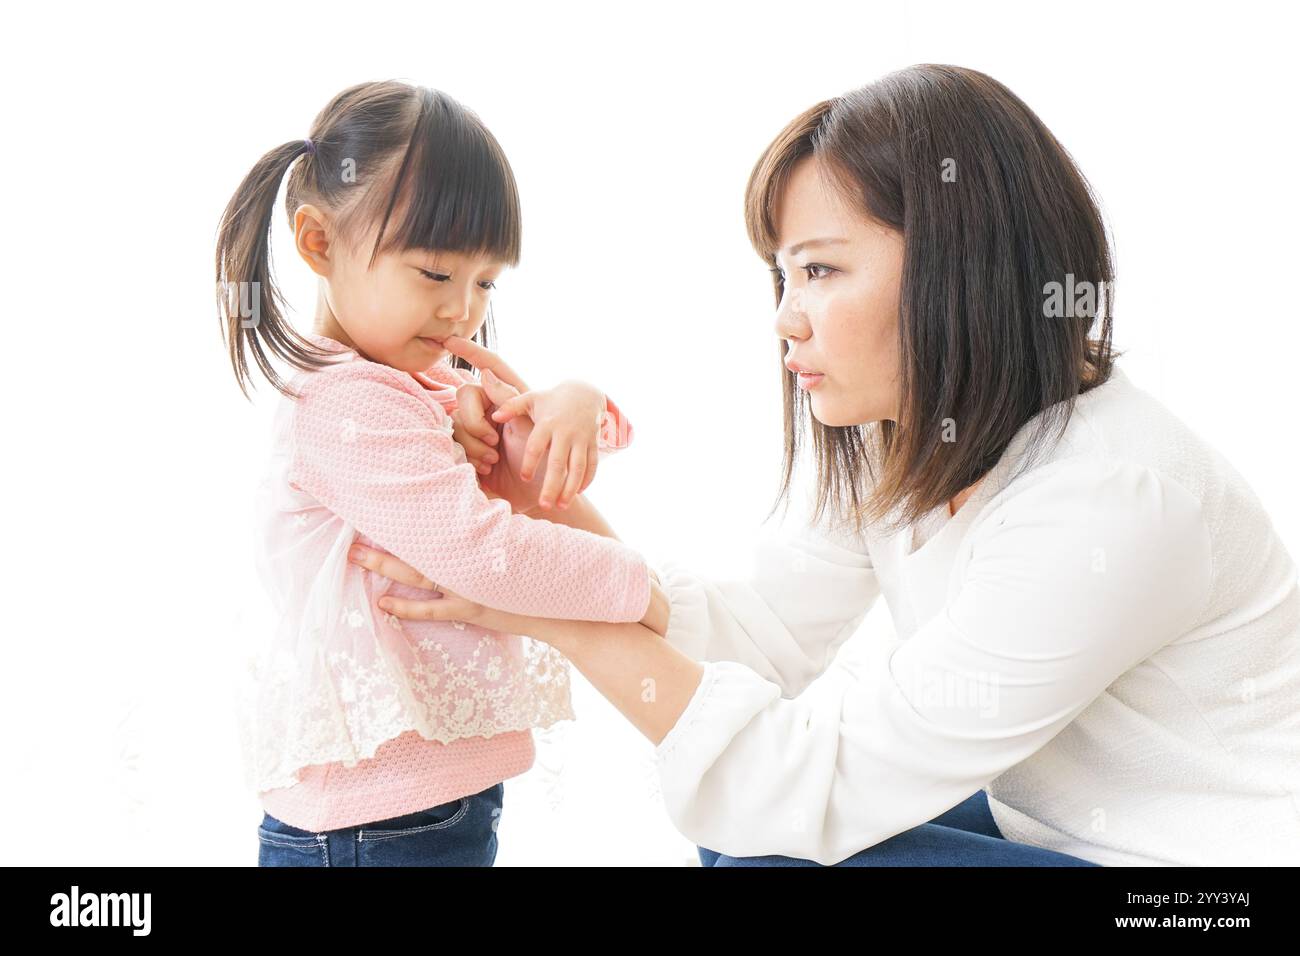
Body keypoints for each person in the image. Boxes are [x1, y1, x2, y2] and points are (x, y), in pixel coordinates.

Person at [350, 65, 1300, 866]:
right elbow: (757, 635)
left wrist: (542, 607)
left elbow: (787, 783)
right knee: (763, 830)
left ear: (961, 267)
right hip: (1050, 831)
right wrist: (543, 516)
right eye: (784, 274)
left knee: (769, 831)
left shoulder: (1111, 499)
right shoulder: (918, 438)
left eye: (821, 270)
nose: (785, 318)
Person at [214, 79, 671, 866]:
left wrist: (577, 401)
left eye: (486, 281)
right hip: (369, 825)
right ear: (319, 244)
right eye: (434, 275)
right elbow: (479, 551)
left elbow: (551, 448)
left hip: (418, 808)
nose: (463, 309)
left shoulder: (411, 381)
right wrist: (638, 589)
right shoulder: (344, 402)